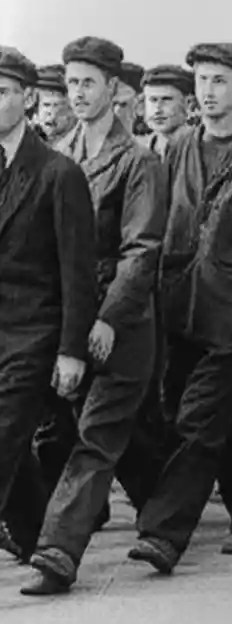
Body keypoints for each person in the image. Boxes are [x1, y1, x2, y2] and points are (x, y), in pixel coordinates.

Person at [128, 42, 232, 572]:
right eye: (201, 80)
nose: (207, 90)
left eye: (220, 81)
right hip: (181, 307)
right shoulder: (178, 146)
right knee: (198, 418)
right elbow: (156, 224)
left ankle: (162, 533)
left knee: (199, 423)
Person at [19, 36, 167, 595]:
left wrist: (106, 318)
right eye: (71, 82)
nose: (78, 93)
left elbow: (143, 249)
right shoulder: (56, 156)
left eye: (89, 82)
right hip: (66, 319)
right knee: (92, 434)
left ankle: (56, 551)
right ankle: (165, 517)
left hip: (119, 323)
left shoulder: (139, 162)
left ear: (115, 89)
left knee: (99, 434)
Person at [0, 46, 96, 564]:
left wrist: (71, 349)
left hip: (33, 334)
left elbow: (77, 270)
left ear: (29, 98)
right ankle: (42, 541)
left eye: (1, 93)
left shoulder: (59, 174)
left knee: (4, 434)